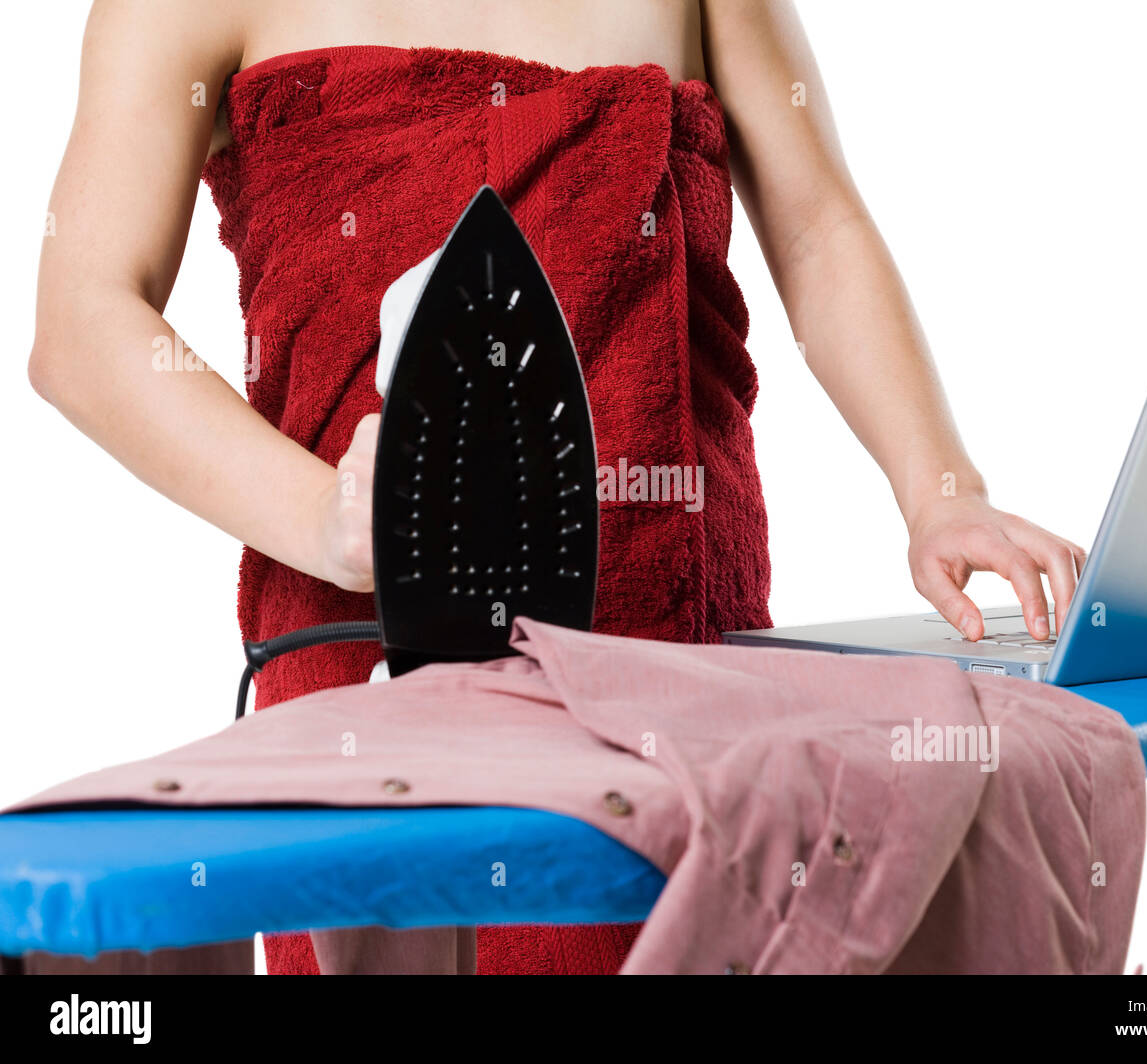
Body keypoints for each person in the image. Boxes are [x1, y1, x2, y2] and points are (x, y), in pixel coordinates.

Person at [28, 0, 1086, 975]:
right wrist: (329, 517)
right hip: (375, 681)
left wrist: (938, 487)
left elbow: (818, 228)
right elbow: (84, 322)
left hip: (685, 677)